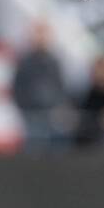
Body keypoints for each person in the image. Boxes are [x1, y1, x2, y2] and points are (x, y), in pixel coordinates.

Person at [11, 21, 70, 149]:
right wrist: (26, 108)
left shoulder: (54, 61)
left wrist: (58, 106)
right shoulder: (25, 62)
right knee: (35, 147)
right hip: (32, 113)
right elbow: (17, 88)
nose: (41, 38)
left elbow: (60, 87)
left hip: (51, 113)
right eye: (38, 34)